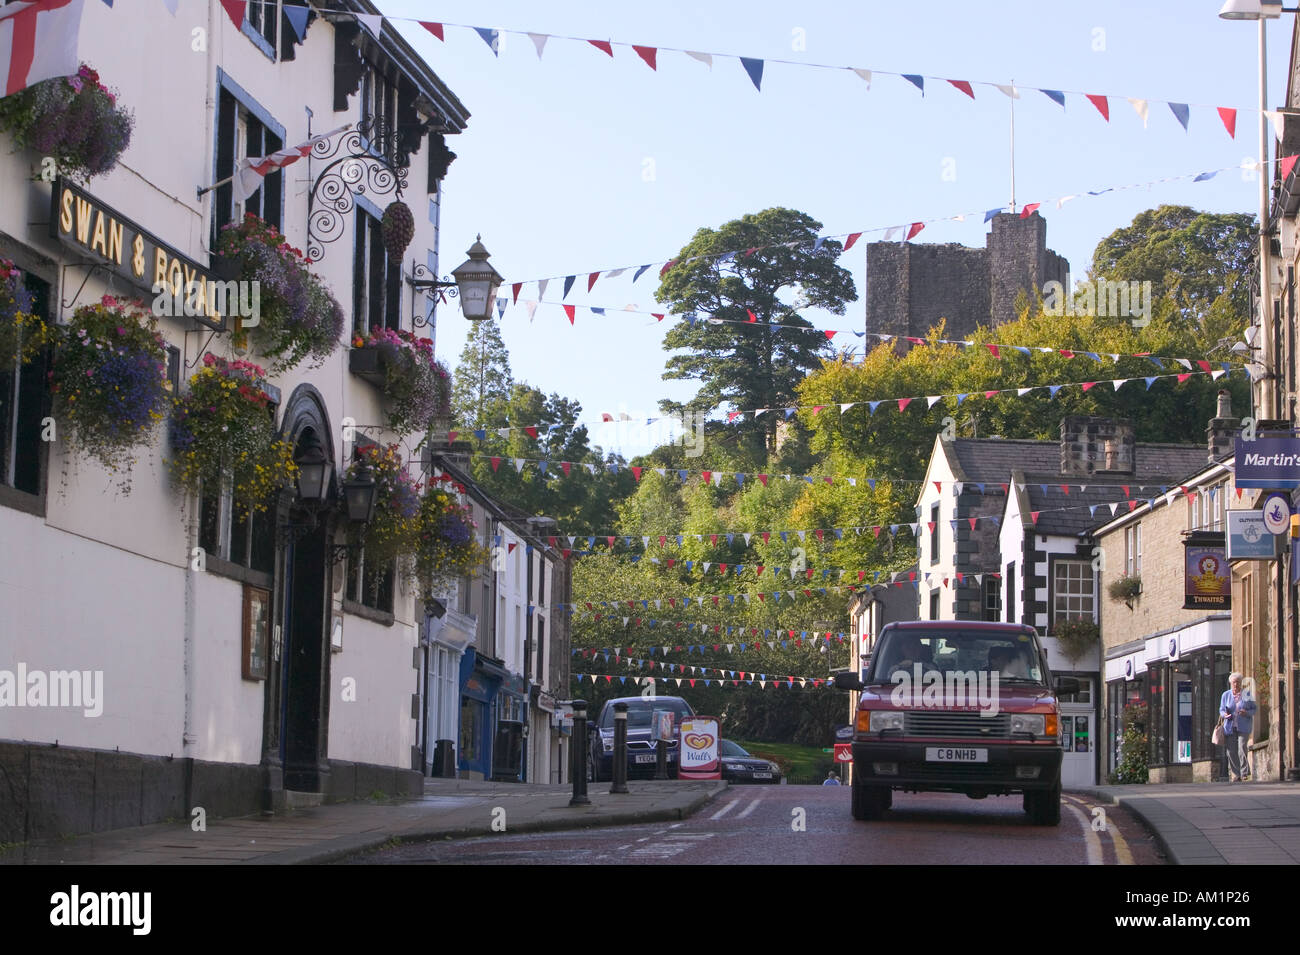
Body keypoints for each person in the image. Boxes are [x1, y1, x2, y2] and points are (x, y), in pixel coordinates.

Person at [1220, 672, 1257, 782]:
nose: (1236, 684)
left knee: (1242, 748)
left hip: (1244, 726)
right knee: (1231, 751)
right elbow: (1221, 709)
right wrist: (1224, 714)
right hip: (1230, 726)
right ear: (1230, 683)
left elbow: (1254, 709)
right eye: (1234, 682)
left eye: (1238, 682)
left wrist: (1246, 712)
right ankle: (1236, 774)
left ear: (1241, 683)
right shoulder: (1226, 695)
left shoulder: (1247, 694)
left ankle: (1244, 772)